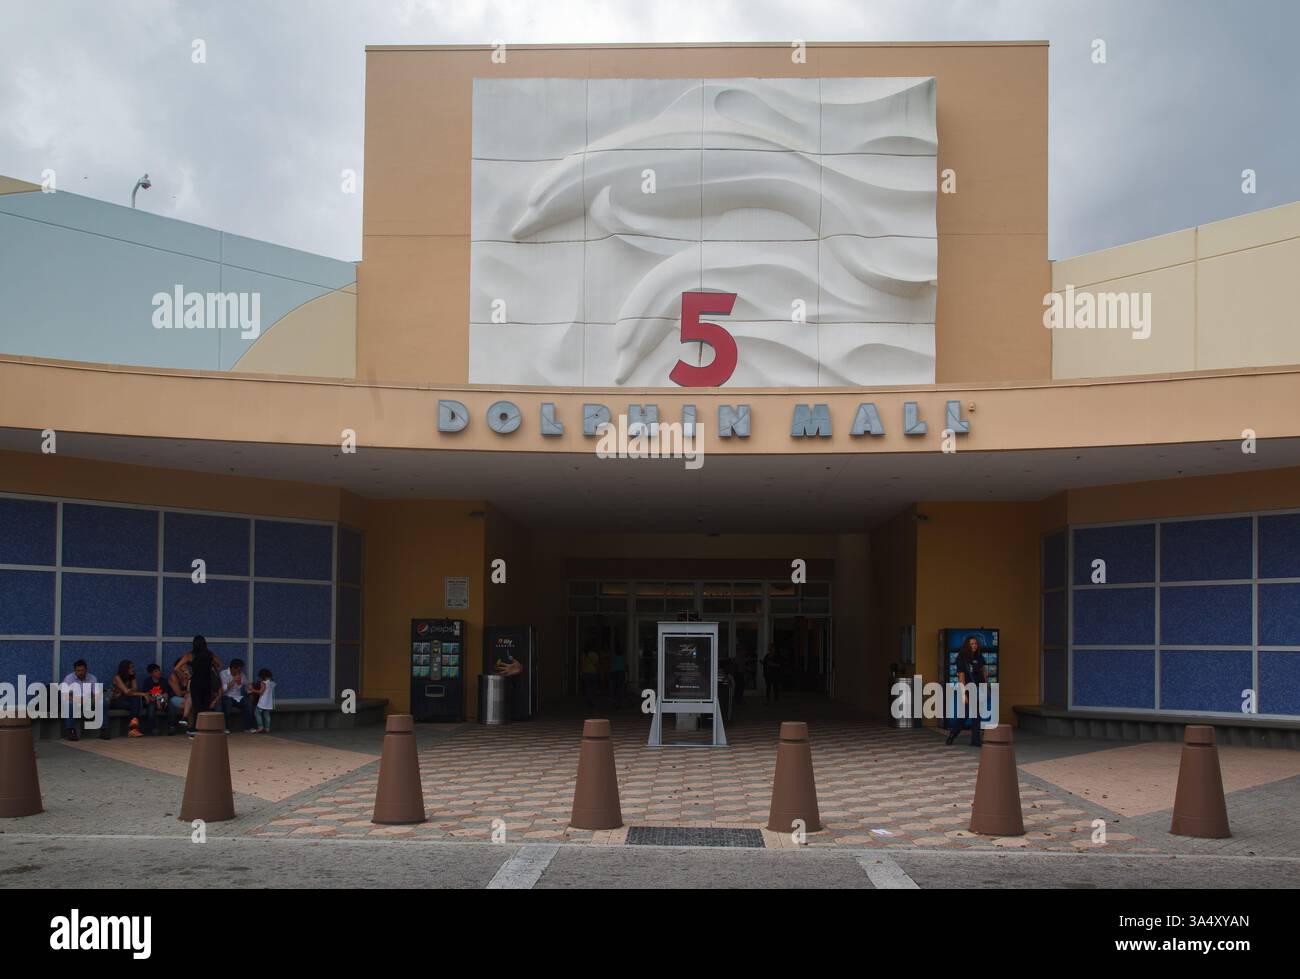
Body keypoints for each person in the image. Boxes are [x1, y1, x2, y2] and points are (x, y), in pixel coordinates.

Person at [946, 636, 987, 747]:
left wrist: (986, 687)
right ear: (967, 645)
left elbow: (984, 672)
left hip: (979, 689)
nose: (974, 645)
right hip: (969, 689)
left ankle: (975, 741)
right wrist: (964, 694)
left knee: (976, 716)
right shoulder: (962, 658)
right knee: (964, 716)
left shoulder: (979, 656)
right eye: (972, 644)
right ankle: (952, 735)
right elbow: (961, 677)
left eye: (975, 643)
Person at [60, 660, 106, 741]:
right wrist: (78, 701)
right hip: (74, 701)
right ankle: (71, 731)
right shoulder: (69, 678)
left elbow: (97, 694)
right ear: (75, 670)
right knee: (69, 704)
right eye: (78, 670)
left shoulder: (92, 678)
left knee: (103, 703)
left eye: (82, 670)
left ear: (86, 670)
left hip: (88, 702)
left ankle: (104, 730)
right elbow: (65, 695)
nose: (80, 672)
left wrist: (90, 701)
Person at [185, 636, 221, 738]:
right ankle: (205, 729)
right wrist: (212, 669)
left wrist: (188, 675)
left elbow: (177, 667)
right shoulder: (209, 654)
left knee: (197, 706)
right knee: (205, 705)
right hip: (207, 681)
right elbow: (220, 664)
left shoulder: (190, 655)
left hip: (196, 682)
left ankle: (196, 729)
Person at [108, 660, 147, 738]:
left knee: (135, 701)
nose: (133, 669)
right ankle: (133, 730)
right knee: (135, 705)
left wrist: (132, 681)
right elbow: (127, 692)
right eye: (130, 668)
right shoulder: (117, 677)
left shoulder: (131, 676)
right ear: (124, 669)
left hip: (125, 699)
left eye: (133, 667)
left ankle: (133, 730)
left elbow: (135, 689)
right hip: (115, 701)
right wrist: (143, 694)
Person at [219, 658, 256, 732]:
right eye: (239, 670)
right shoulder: (223, 673)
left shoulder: (242, 675)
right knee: (227, 705)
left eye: (241, 669)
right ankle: (225, 727)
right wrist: (233, 680)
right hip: (227, 696)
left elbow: (247, 686)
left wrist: (250, 693)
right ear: (233, 668)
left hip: (238, 697)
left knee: (248, 704)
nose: (240, 671)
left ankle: (248, 727)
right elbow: (223, 689)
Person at [141, 663, 169, 736]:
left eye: (159, 670)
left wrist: (161, 700)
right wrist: (156, 699)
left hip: (161, 700)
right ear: (151, 674)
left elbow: (165, 694)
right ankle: (153, 729)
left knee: (170, 707)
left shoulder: (163, 681)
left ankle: (171, 727)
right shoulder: (147, 681)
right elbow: (146, 695)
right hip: (151, 701)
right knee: (151, 709)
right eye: (156, 671)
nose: (159, 672)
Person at [167, 654, 191, 735]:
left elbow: (192, 690)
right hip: (174, 698)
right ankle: (188, 726)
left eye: (186, 666)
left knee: (190, 701)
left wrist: (189, 679)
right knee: (190, 702)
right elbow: (178, 693)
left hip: (187, 699)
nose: (185, 669)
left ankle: (189, 726)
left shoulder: (189, 676)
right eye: (183, 667)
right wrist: (187, 692)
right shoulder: (173, 676)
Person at [248, 668, 275, 733]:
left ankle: (260, 727)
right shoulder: (272, 682)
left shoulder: (263, 683)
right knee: (267, 715)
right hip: (269, 702)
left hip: (262, 701)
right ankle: (267, 728)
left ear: (262, 676)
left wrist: (252, 689)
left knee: (257, 713)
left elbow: (261, 692)